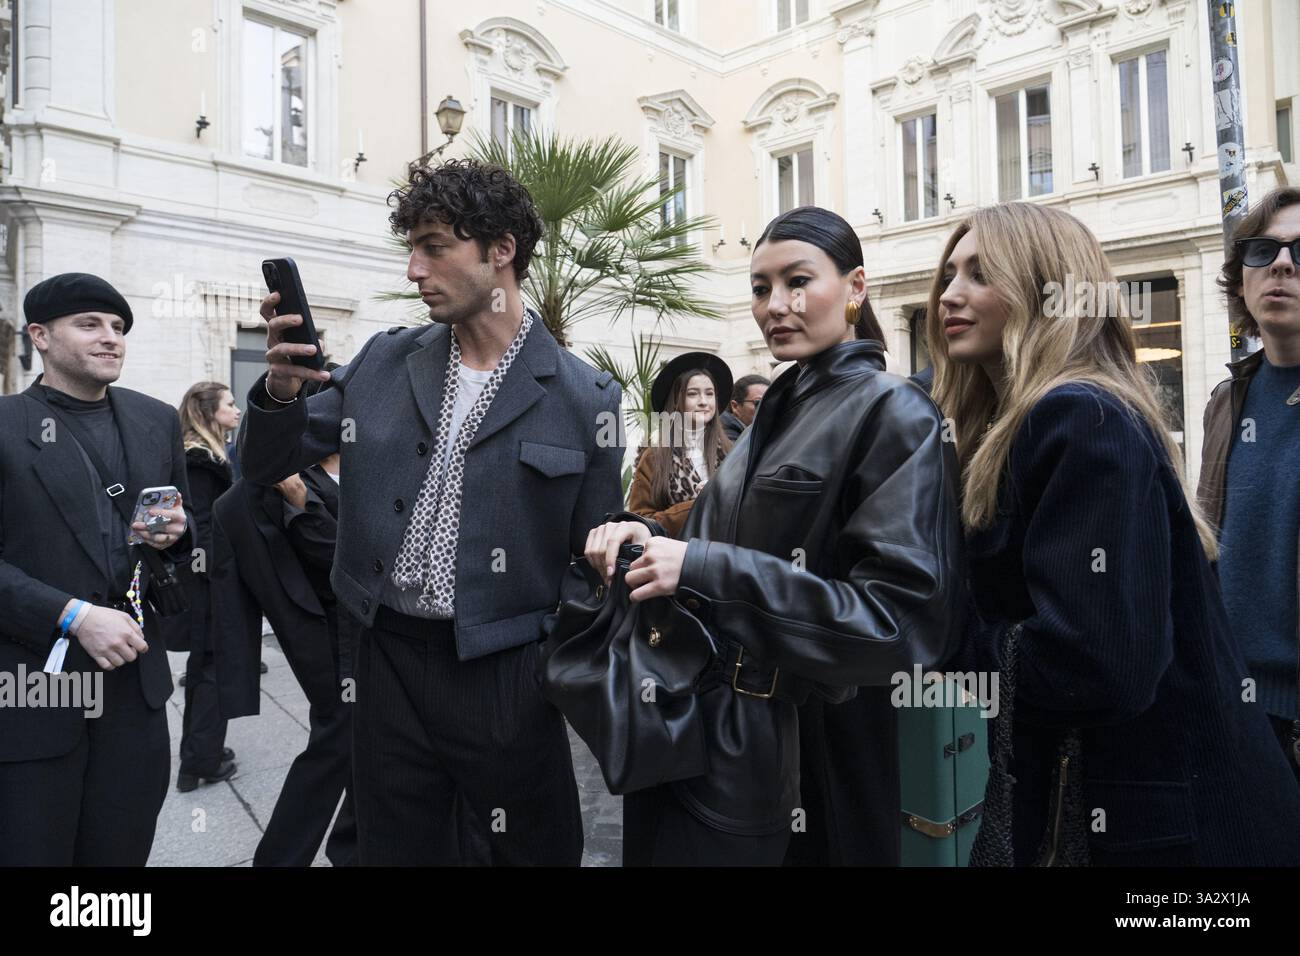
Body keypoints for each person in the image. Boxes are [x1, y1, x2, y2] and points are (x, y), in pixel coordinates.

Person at [237, 159, 623, 865]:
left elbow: (592, 551)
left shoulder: (583, 395)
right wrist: (282, 391)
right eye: (411, 248)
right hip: (382, 654)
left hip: (503, 671)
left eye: (435, 246)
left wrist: (539, 652)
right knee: (394, 847)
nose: (415, 268)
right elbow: (262, 469)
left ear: (501, 250)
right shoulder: (384, 361)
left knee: (529, 849)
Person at [584, 206, 966, 866]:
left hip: (816, 759)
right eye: (760, 288)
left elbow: (897, 628)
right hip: (708, 737)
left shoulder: (892, 409)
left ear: (855, 289)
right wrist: (641, 531)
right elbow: (723, 532)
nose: (775, 305)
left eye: (797, 281)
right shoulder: (778, 410)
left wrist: (702, 567)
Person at [927, 201, 1300, 865]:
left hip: (1168, 825)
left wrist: (938, 636)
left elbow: (1098, 666)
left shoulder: (1078, 416)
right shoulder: (1031, 422)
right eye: (949, 275)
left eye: (981, 273)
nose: (950, 295)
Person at [0, 273, 191, 865]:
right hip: (34, 686)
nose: (111, 338)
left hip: (136, 684)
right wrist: (73, 615)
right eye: (89, 325)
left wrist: (172, 541)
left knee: (121, 852)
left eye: (118, 328)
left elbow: (180, 543)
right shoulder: (5, 425)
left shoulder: (156, 419)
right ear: (41, 336)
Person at [211, 368, 359, 866]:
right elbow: (333, 557)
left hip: (377, 630)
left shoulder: (362, 462)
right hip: (327, 636)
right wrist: (300, 502)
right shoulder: (287, 476)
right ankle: (279, 858)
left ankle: (351, 846)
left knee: (368, 741)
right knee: (336, 741)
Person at [1200, 186, 1300, 781]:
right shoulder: (1226, 402)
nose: (1283, 264)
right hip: (1235, 707)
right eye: (1263, 252)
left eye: (1299, 251)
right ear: (1241, 281)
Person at [172, 382, 240, 792]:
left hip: (206, 578)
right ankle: (202, 761)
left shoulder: (205, 454)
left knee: (205, 666)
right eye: (229, 404)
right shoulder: (199, 459)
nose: (236, 409)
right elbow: (201, 528)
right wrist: (222, 578)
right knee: (215, 667)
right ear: (209, 411)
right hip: (210, 581)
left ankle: (197, 755)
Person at [627, 352, 732, 538]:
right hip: (678, 560)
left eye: (710, 394)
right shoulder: (655, 457)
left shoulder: (732, 451)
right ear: (676, 401)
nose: (703, 402)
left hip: (727, 556)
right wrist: (698, 504)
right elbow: (640, 522)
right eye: (693, 394)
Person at [720, 374, 769, 442]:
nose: (767, 408)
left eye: (769, 402)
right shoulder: (726, 433)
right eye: (758, 403)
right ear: (735, 406)